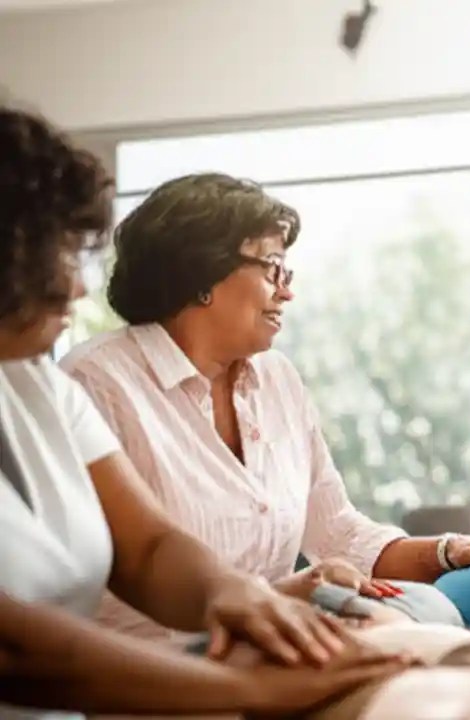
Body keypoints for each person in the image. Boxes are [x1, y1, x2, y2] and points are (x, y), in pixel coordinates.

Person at [0, 105, 412, 719]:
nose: (78, 287)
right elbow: (16, 650)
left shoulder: (36, 386)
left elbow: (147, 549)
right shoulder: (92, 378)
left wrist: (237, 595)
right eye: (54, 254)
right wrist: (248, 689)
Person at [59, 172, 470, 645]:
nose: (287, 290)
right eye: (272, 268)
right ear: (200, 274)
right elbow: (109, 570)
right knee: (419, 642)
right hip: (164, 663)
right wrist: (280, 598)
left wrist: (448, 551)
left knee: (453, 608)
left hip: (279, 635)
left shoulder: (276, 378)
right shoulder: (96, 383)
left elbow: (336, 531)